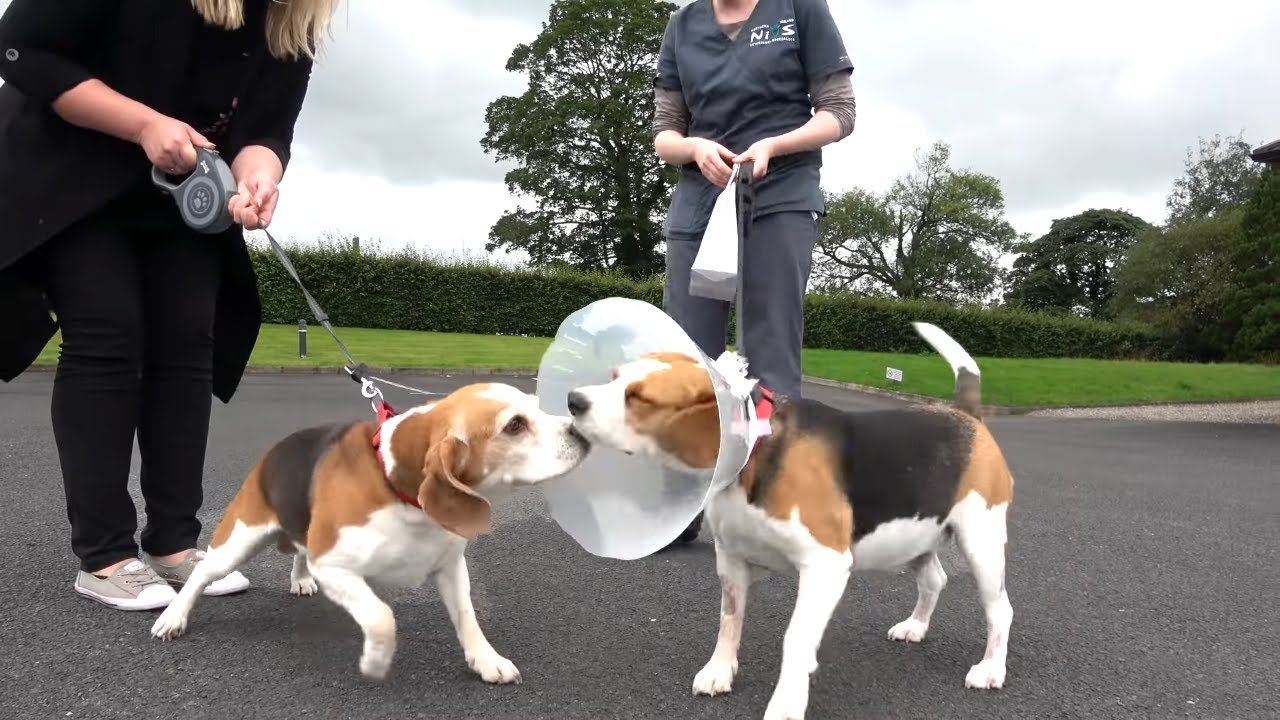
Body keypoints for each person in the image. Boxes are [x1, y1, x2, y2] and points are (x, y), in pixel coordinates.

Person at [0, 0, 339, 611]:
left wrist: (258, 177)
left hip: (185, 191)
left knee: (188, 341)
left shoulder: (293, 16)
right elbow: (22, 48)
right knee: (109, 334)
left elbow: (266, 130)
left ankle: (174, 543)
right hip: (71, 169)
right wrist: (144, 125)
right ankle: (103, 556)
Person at [651, 0, 857, 545]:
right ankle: (683, 505)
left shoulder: (800, 10)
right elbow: (665, 132)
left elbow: (839, 113)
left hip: (780, 193)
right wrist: (694, 148)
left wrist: (775, 143)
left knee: (769, 350)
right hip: (701, 202)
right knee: (689, 362)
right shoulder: (683, 25)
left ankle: (773, 502)